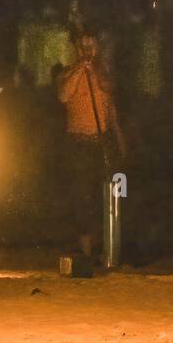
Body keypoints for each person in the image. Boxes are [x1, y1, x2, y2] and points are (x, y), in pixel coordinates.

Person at [56, 28, 127, 260]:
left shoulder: (103, 75)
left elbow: (111, 106)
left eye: (91, 46)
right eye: (82, 47)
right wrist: (80, 68)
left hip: (102, 143)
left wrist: (120, 142)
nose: (87, 51)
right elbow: (64, 96)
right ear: (76, 50)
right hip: (79, 144)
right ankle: (86, 252)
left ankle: (111, 249)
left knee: (111, 193)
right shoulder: (67, 74)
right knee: (82, 196)